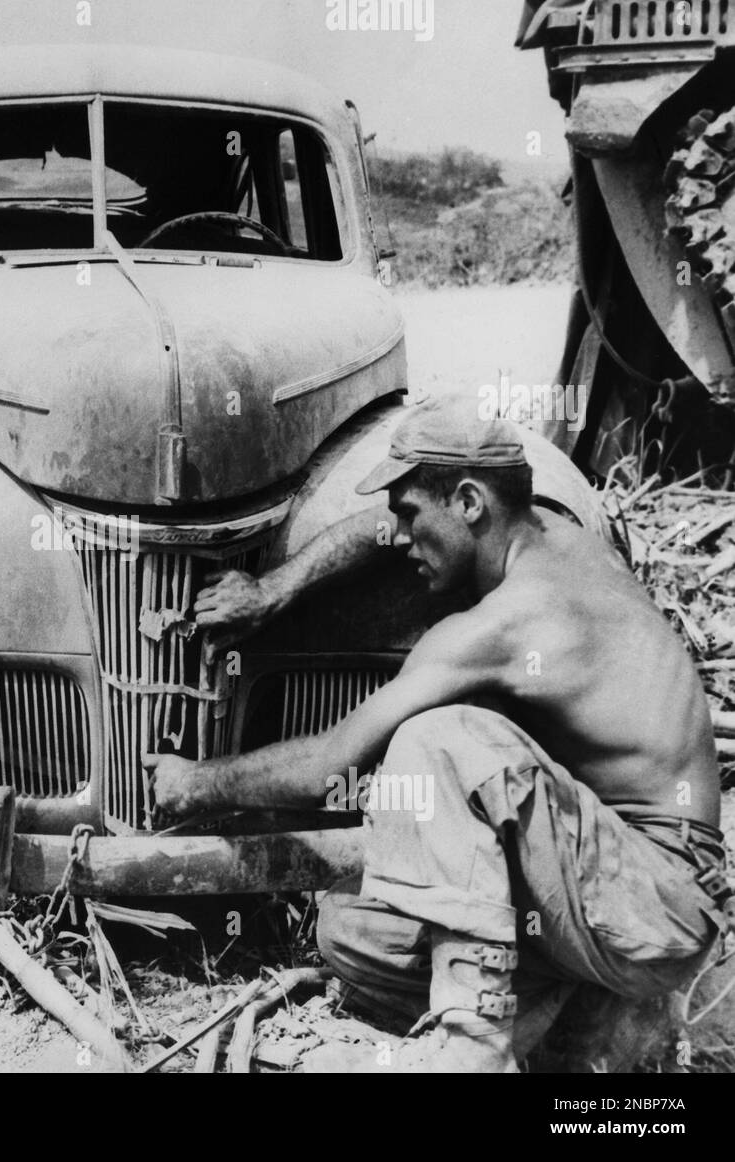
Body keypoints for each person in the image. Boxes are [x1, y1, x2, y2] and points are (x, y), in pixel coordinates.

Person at [153, 396, 730, 1072]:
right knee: (349, 930)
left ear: (468, 502)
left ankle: (475, 1049)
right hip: (612, 880)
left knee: (437, 740)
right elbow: (376, 527)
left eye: (410, 516)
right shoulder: (552, 532)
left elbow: (326, 765)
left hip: (659, 899)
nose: (397, 538)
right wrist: (277, 588)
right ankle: (579, 1010)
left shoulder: (511, 621)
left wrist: (196, 783)